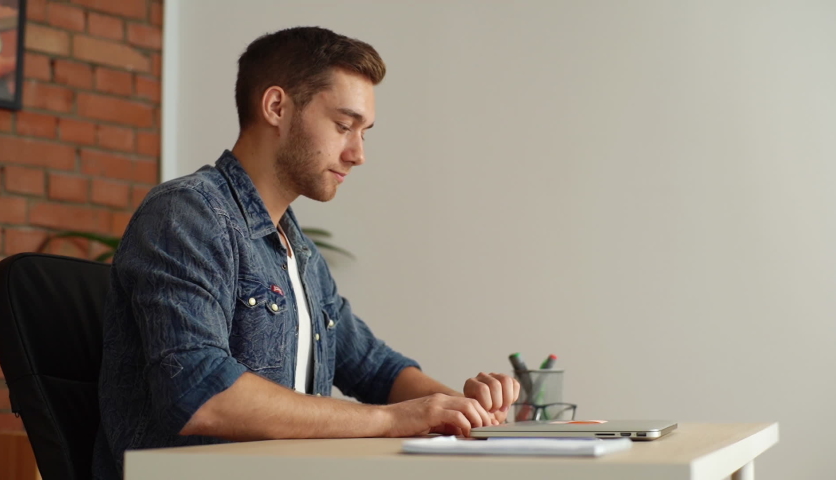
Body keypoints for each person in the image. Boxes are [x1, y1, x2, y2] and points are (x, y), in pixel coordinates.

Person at [92, 26, 519, 479]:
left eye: (363, 132)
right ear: (277, 107)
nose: (358, 154)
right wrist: (394, 420)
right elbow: (200, 391)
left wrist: (465, 410)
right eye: (343, 125)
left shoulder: (301, 253)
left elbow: (376, 369)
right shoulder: (187, 216)